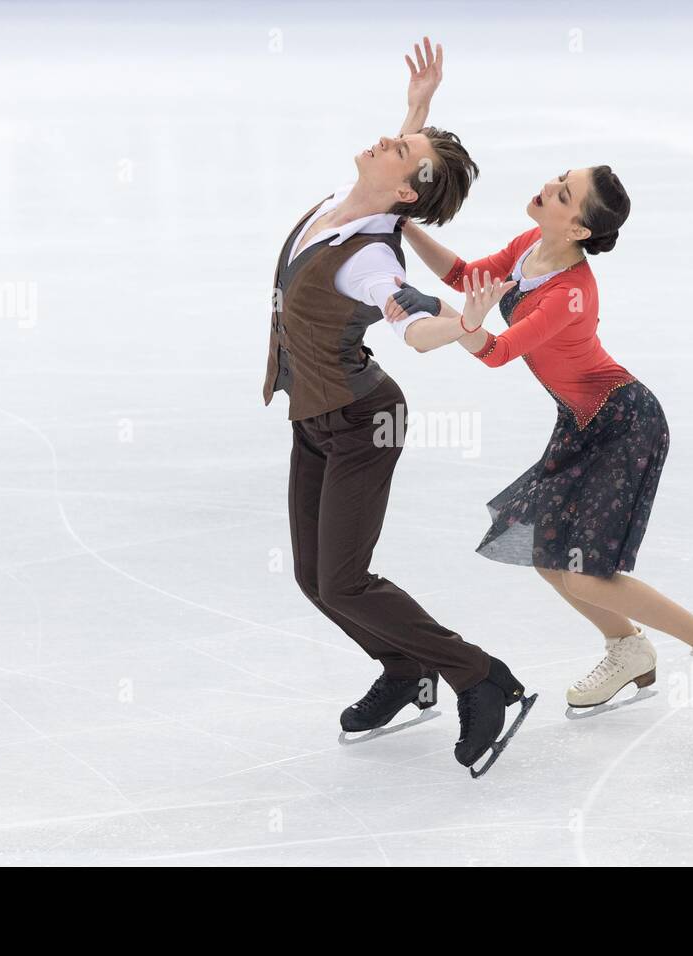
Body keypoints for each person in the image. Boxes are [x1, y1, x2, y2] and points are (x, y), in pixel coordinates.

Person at [386, 165, 693, 732]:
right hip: (580, 423)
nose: (547, 188)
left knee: (586, 574)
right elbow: (468, 276)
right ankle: (627, 648)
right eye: (558, 180)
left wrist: (455, 320)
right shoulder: (531, 246)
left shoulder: (570, 293)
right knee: (549, 555)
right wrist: (408, 226)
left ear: (576, 229)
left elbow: (495, 351)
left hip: (625, 425)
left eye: (562, 194)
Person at [262, 38, 536, 774]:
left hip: (362, 424)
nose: (389, 141)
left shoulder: (371, 259)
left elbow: (414, 329)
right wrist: (420, 108)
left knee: (345, 580)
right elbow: (400, 170)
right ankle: (405, 668)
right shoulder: (348, 205)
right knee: (315, 579)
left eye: (402, 147)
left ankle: (483, 678)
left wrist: (464, 325)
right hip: (318, 417)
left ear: (407, 191)